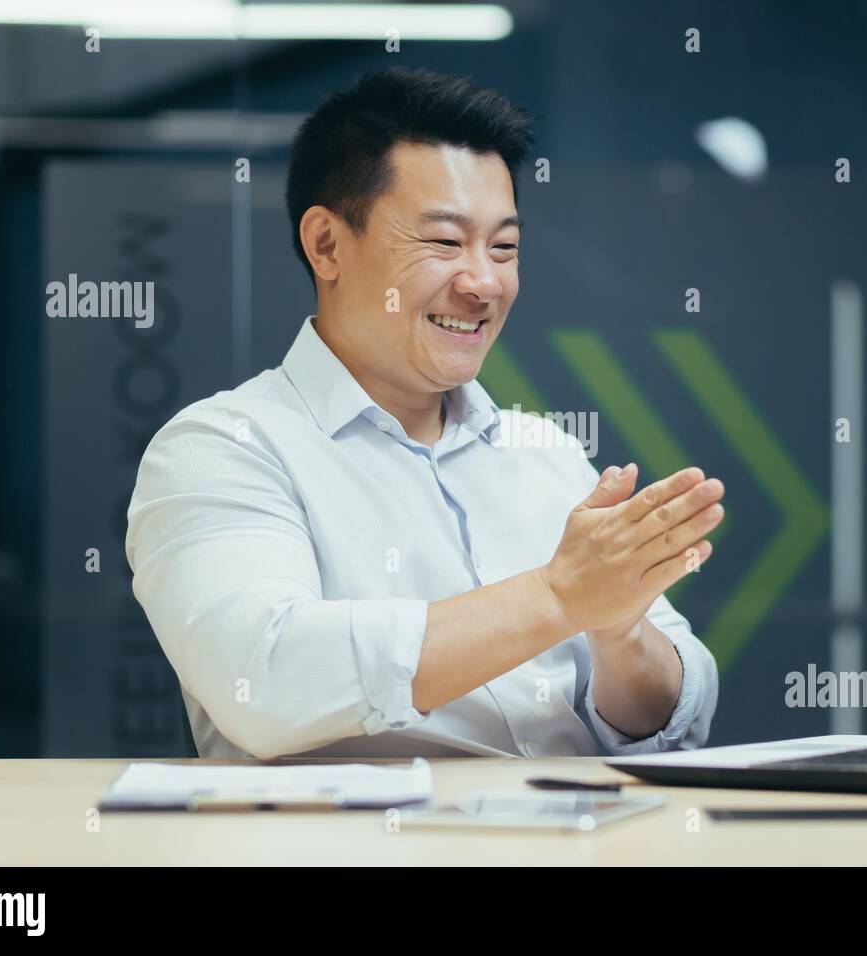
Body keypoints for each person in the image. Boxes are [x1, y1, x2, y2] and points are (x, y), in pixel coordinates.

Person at [125, 67, 725, 759]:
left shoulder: (544, 452)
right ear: (326, 245)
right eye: (444, 242)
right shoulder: (225, 447)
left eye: (504, 247)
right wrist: (558, 598)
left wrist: (620, 634)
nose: (484, 282)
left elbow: (678, 720)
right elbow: (262, 681)